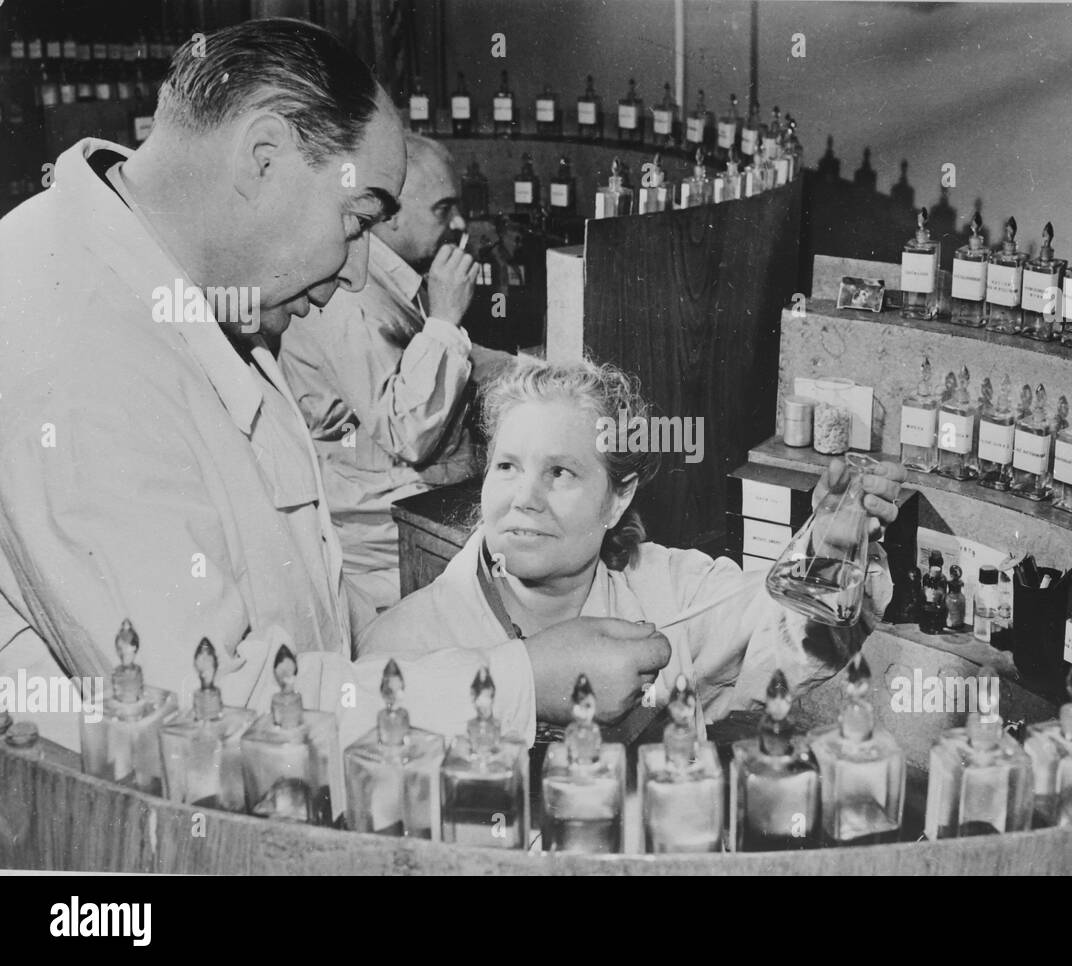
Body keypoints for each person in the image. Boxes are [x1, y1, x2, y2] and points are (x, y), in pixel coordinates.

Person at [0, 20, 671, 750]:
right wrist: (519, 683)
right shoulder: (79, 346)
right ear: (264, 156)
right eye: (356, 221)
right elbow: (202, 715)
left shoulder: (184, 288)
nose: (356, 271)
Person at [355, 356, 905, 738]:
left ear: (617, 501)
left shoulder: (672, 590)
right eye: (506, 467)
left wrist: (830, 552)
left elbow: (784, 635)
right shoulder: (403, 642)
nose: (525, 498)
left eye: (561, 472)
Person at [279, 134, 514, 615]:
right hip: (378, 538)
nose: (458, 223)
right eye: (443, 208)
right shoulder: (348, 297)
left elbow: (429, 363)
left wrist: (525, 371)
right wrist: (446, 318)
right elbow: (408, 433)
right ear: (390, 213)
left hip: (397, 499)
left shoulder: (392, 274)